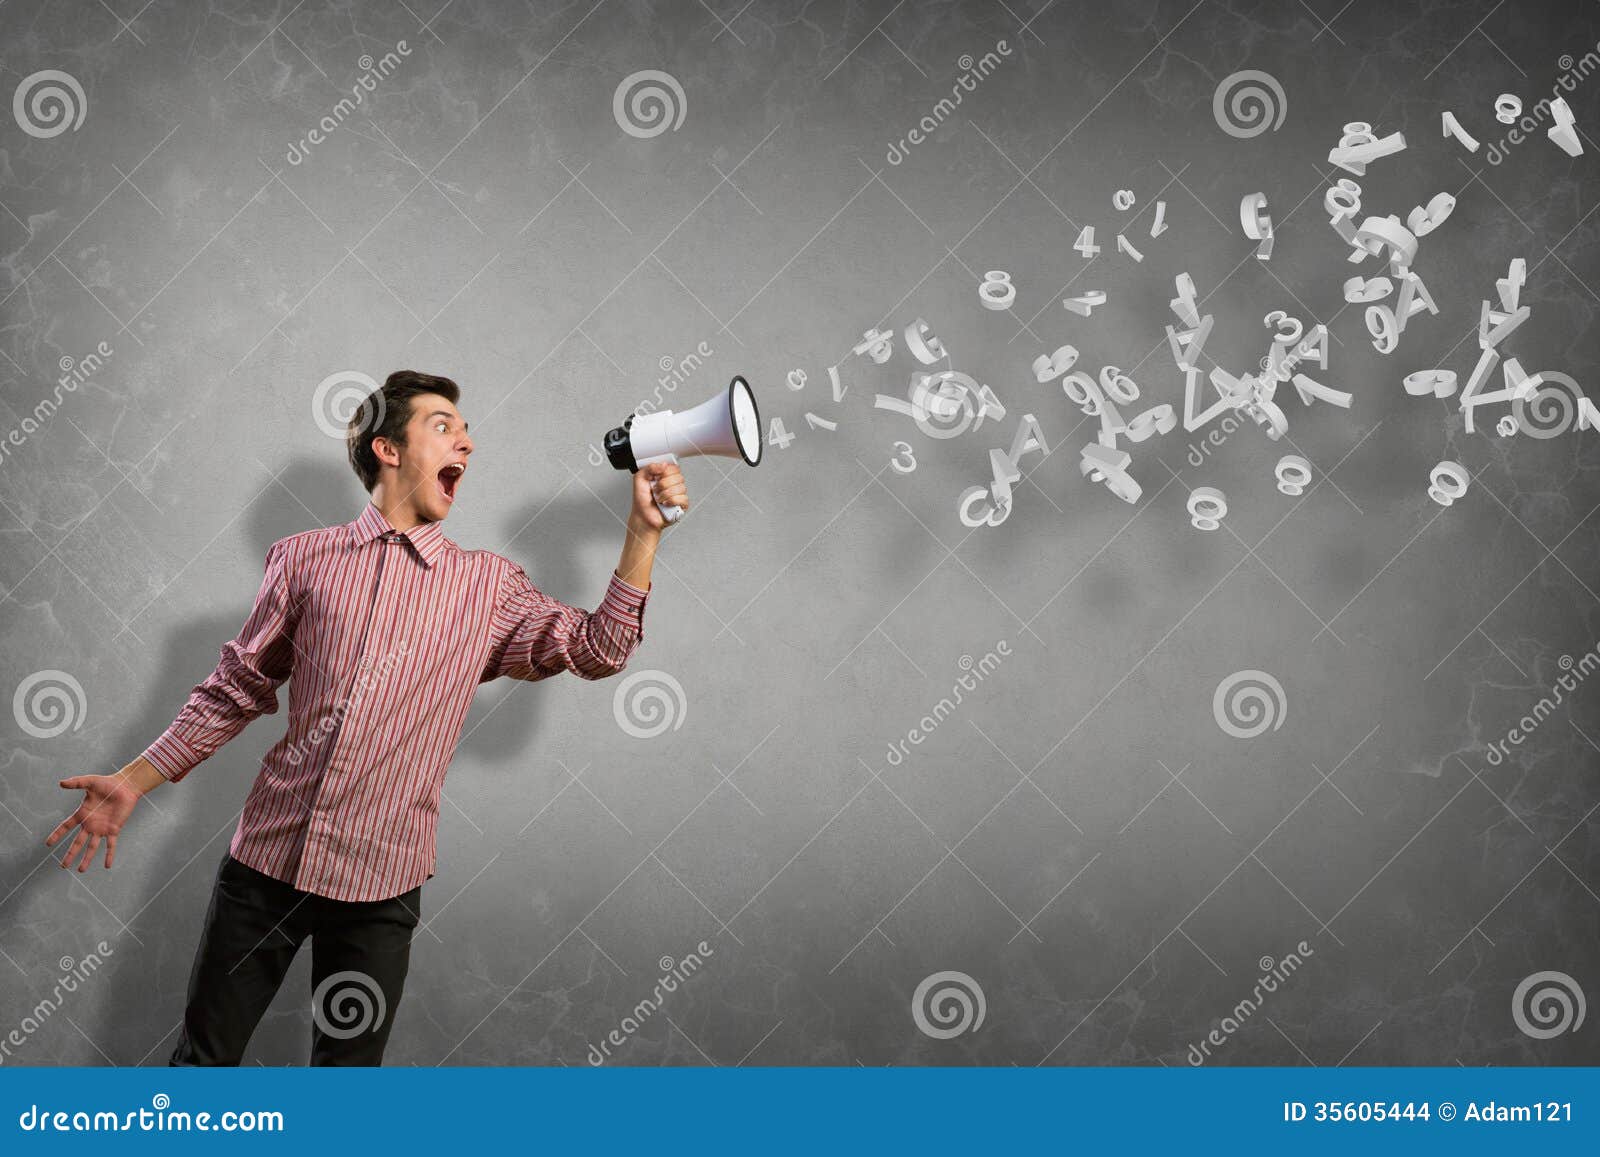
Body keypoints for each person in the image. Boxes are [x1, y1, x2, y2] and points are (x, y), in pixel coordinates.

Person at [44, 369, 687, 1065]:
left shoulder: (488, 588)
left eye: (466, 432)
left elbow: (600, 648)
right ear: (386, 447)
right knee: (202, 1066)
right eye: (444, 425)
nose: (467, 442)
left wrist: (642, 531)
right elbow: (234, 689)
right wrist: (135, 780)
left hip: (382, 883)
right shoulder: (301, 561)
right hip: (263, 866)